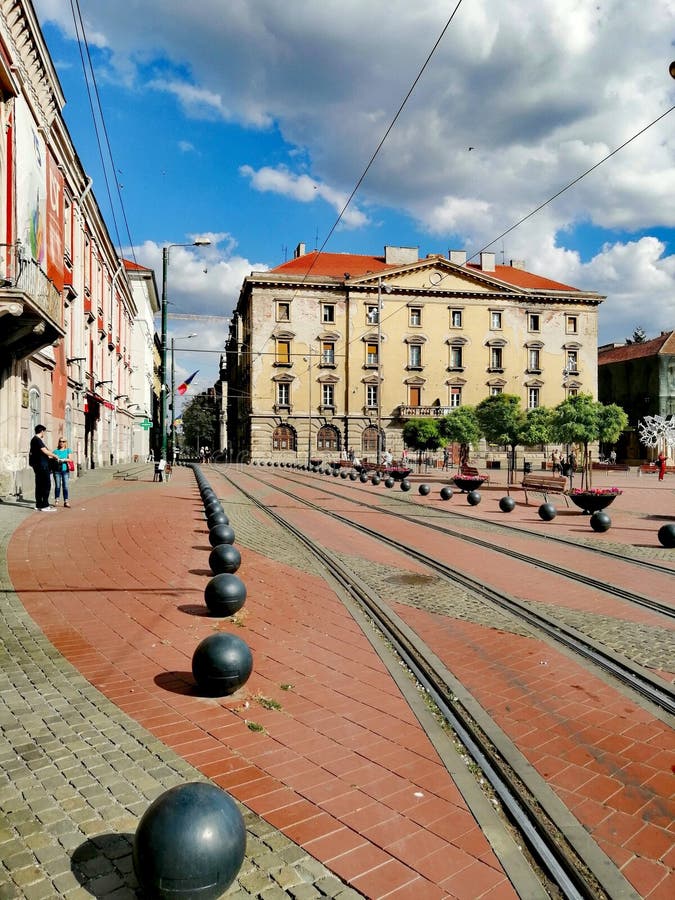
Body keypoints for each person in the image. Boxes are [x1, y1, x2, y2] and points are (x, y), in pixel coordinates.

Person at [29, 424, 59, 512]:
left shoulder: (33, 440)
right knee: (46, 485)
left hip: (37, 465)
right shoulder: (37, 440)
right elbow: (44, 451)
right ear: (42, 431)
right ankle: (45, 505)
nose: (44, 434)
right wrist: (55, 456)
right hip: (42, 466)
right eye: (44, 432)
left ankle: (39, 504)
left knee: (39, 485)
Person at [52, 438, 73, 507]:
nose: (62, 443)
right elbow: (52, 459)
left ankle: (66, 501)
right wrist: (56, 460)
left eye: (63, 441)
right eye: (60, 441)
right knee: (57, 486)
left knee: (65, 486)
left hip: (65, 470)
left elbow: (70, 459)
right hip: (57, 470)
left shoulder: (68, 450)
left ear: (65, 443)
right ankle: (56, 500)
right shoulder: (55, 451)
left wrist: (63, 460)